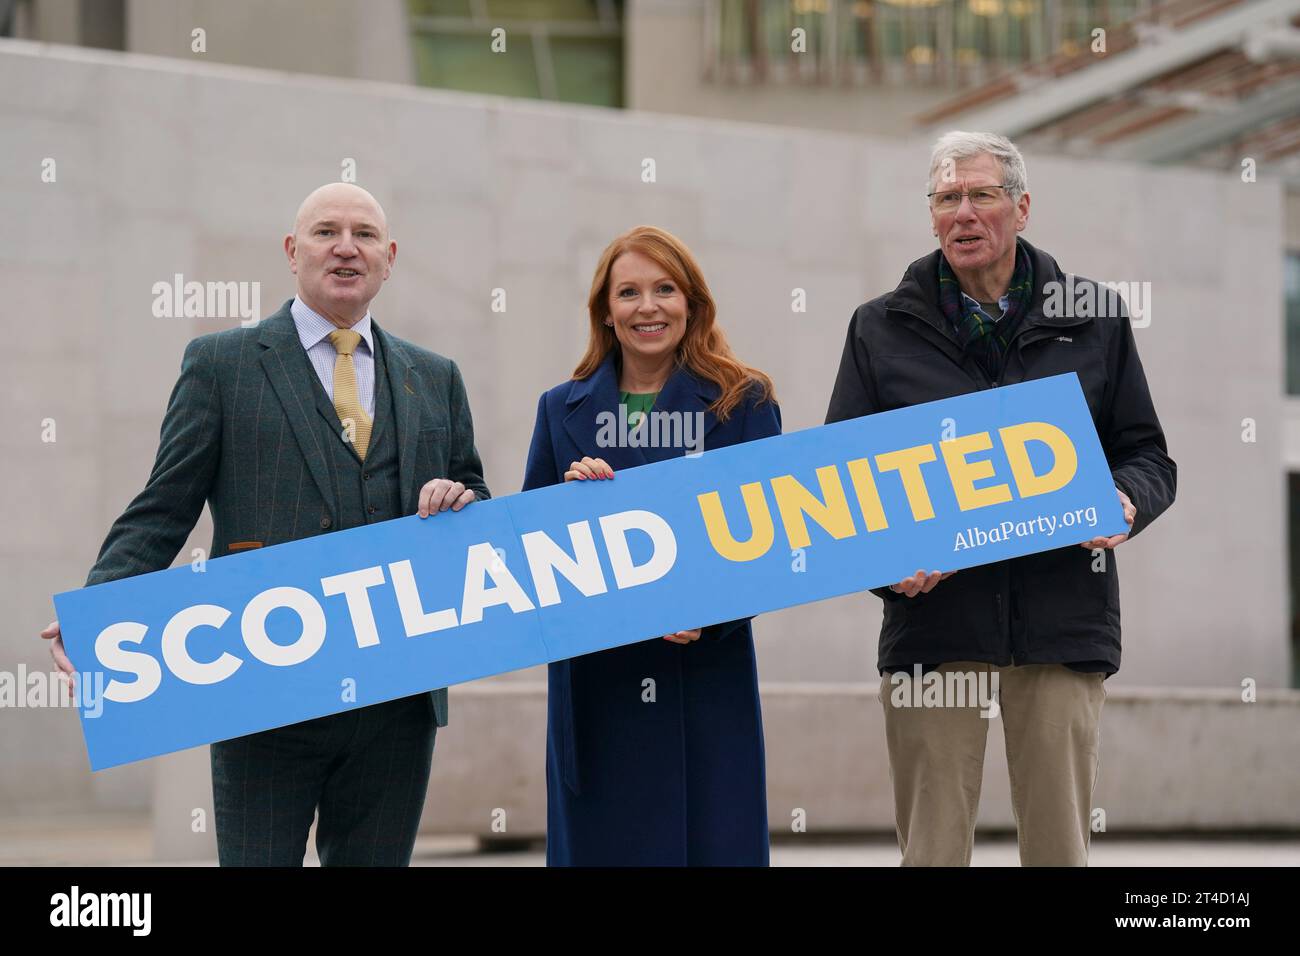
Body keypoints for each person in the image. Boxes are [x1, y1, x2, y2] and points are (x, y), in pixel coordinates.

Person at [41, 182, 490, 866]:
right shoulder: (221, 365)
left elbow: (476, 501)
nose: (346, 247)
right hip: (264, 691)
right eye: (325, 231)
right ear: (292, 251)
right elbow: (164, 505)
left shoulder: (435, 377)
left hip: (398, 701)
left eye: (365, 234)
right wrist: (99, 606)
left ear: (389, 257)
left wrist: (460, 500)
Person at [826, 131, 1176, 866]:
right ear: (930, 216)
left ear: (1021, 206)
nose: (963, 212)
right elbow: (840, 485)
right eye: (946, 198)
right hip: (934, 626)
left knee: (1058, 852)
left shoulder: (1095, 317)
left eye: (981, 194)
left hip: (1061, 623)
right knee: (932, 851)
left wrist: (1123, 498)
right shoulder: (879, 328)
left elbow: (1147, 454)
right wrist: (889, 563)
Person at [523, 225, 780, 866]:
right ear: (606, 313)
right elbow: (529, 556)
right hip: (599, 692)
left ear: (691, 302)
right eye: (629, 292)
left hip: (702, 686)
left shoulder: (744, 402)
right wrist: (566, 501)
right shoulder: (560, 410)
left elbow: (773, 547)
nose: (648, 307)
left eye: (664, 289)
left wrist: (710, 614)